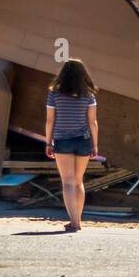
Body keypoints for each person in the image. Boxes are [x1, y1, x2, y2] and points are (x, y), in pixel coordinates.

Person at [44, 58, 99, 232]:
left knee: (67, 182)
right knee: (78, 181)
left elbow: (50, 120)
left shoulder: (54, 94)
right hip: (83, 140)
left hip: (63, 140)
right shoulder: (89, 95)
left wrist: (48, 142)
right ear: (83, 74)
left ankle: (74, 222)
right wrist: (95, 145)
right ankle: (78, 221)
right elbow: (93, 122)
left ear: (63, 73)